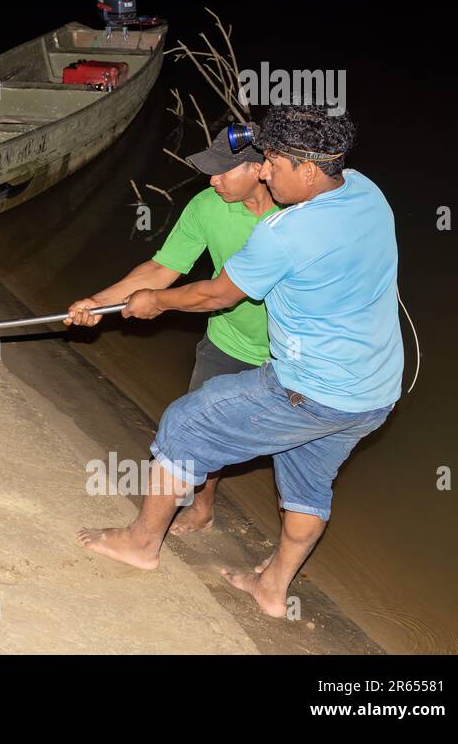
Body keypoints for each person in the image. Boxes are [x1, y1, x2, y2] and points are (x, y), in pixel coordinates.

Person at [76, 107, 403, 618]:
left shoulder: (287, 232)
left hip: (306, 388)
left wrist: (154, 302)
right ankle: (271, 589)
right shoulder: (366, 191)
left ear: (309, 169)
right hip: (373, 394)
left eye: (273, 163)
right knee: (308, 486)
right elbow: (174, 269)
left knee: (185, 423)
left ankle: (139, 544)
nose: (267, 172)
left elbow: (215, 296)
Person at [65, 124, 279, 534]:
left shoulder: (297, 218)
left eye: (222, 170)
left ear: (259, 169)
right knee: (201, 430)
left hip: (291, 357)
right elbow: (162, 269)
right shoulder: (207, 205)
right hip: (228, 341)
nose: (212, 179)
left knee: (291, 458)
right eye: (210, 170)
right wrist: (98, 303)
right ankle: (203, 507)